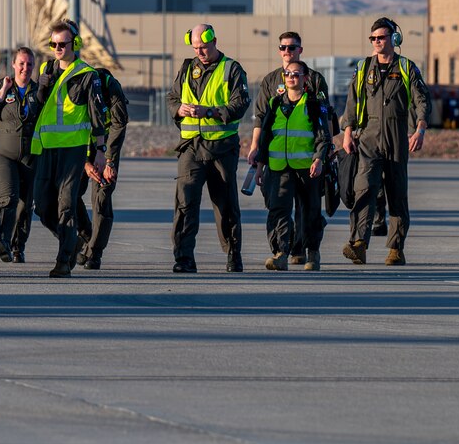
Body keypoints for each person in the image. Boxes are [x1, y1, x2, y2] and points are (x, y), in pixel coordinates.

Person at [340, 17, 430, 266]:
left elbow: (422, 100)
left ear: (394, 39)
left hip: (397, 137)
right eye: (373, 38)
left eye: (381, 37)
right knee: (364, 188)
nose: (377, 42)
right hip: (368, 137)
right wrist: (348, 132)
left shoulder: (406, 67)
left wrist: (420, 129)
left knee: (397, 193)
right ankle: (358, 244)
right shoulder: (363, 68)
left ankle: (396, 248)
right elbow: (352, 102)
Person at [166, 23, 251, 273]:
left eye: (203, 47)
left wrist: (211, 112)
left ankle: (233, 254)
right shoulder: (186, 68)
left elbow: (240, 104)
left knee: (225, 204)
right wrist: (178, 109)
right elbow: (171, 97)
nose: (200, 52)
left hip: (222, 149)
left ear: (214, 42)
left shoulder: (232, 69)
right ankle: (184, 258)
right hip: (190, 148)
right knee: (185, 202)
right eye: (195, 48)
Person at [31, 20, 108, 278]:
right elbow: (39, 107)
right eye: (53, 44)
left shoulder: (87, 75)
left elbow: (98, 115)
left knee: (66, 205)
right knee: (42, 207)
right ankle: (72, 240)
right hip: (47, 149)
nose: (57, 48)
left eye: (62, 44)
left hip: (73, 150)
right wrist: (42, 85)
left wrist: (99, 150)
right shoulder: (46, 69)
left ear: (75, 44)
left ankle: (63, 261)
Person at [247, 31, 332, 264]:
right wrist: (258, 161)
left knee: (310, 211)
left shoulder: (314, 97)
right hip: (279, 165)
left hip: (307, 165)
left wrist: (321, 157)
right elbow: (264, 129)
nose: (287, 51)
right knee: (279, 209)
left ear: (305, 77)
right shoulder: (273, 97)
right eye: (283, 47)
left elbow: (324, 129)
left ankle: (310, 251)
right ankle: (281, 253)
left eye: (292, 47)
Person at [0, 47, 41, 263]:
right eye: (22, 63)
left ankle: (18, 246)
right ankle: (0, 239)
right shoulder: (2, 86)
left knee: (26, 204)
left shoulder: (38, 91)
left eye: (29, 64)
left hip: (30, 155)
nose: (25, 68)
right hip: (2, 153)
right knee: (8, 197)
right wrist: (2, 91)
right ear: (14, 65)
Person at [75, 65, 129, 270]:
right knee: (69, 195)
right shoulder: (75, 86)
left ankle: (94, 253)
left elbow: (119, 124)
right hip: (80, 146)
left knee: (102, 199)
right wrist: (84, 162)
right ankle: (87, 235)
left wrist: (109, 161)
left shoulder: (110, 86)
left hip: (106, 148)